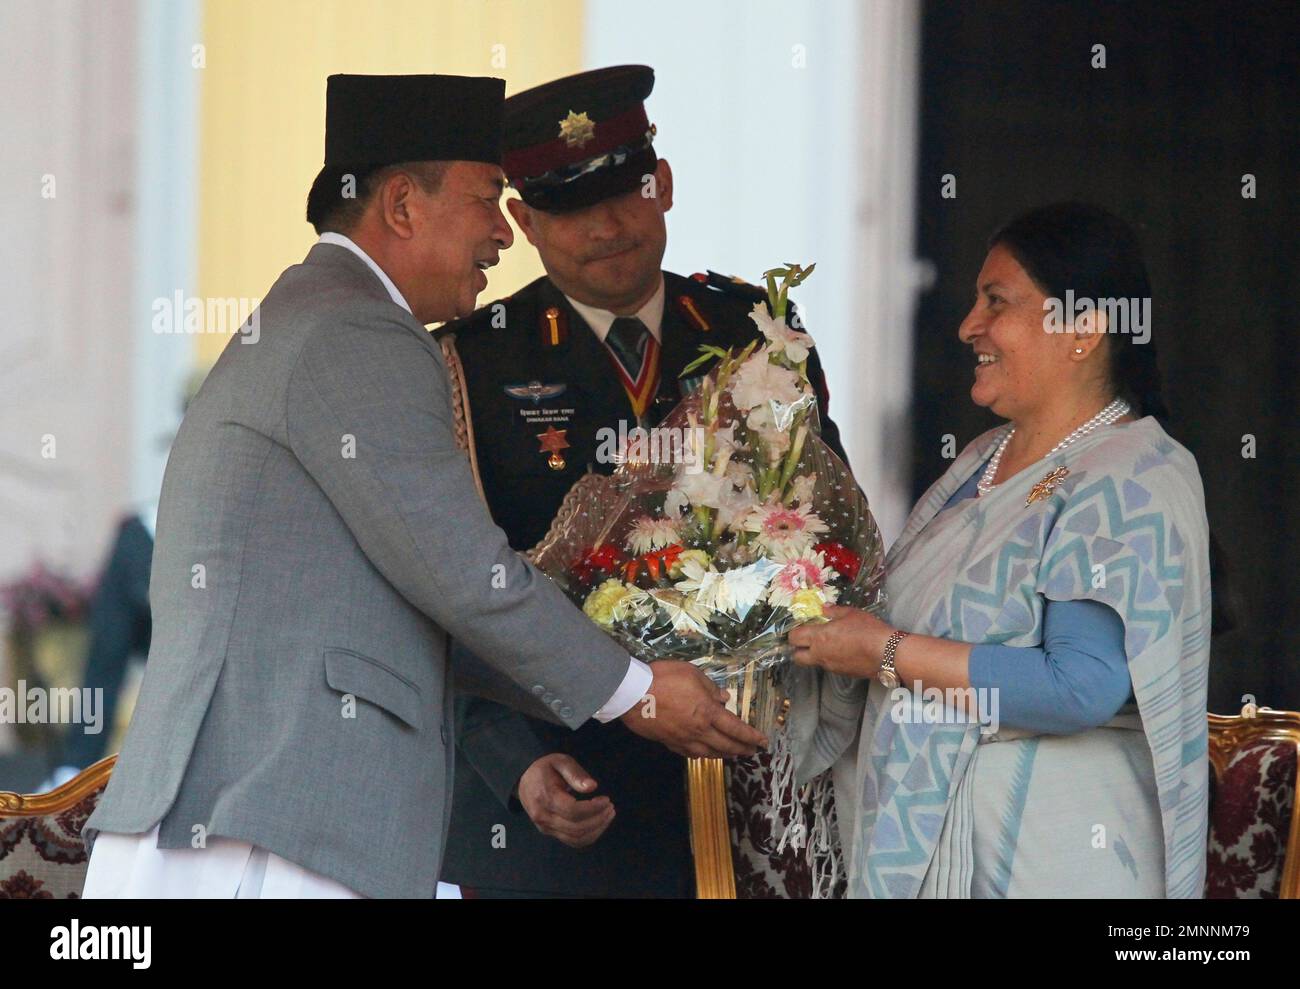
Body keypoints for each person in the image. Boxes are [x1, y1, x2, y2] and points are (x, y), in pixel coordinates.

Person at [81, 72, 762, 900]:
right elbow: (461, 571)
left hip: (262, 822)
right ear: (402, 205)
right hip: (264, 826)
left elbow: (429, 602)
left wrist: (620, 691)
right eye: (487, 199)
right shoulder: (358, 329)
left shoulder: (321, 315)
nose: (500, 237)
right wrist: (638, 692)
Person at [436, 65, 846, 899]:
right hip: (560, 797)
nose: (607, 227)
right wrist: (515, 767)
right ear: (523, 218)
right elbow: (444, 592)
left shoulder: (753, 329)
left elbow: (826, 530)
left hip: (748, 790)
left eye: (626, 193)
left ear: (662, 184)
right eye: (571, 208)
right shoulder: (472, 361)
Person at [791, 202, 1211, 898]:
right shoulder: (983, 458)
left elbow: (1081, 686)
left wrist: (885, 653)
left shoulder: (1133, 473)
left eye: (997, 302)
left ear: (1081, 331)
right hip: (946, 842)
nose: (968, 326)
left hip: (1054, 853)